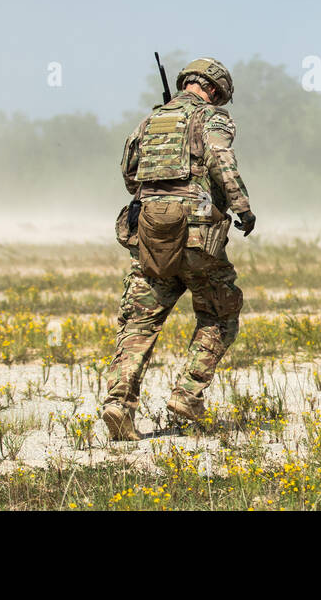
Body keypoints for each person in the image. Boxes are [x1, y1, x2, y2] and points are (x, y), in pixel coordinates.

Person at [101, 58, 255, 439]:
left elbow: (129, 172)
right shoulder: (211, 118)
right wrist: (242, 207)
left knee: (139, 320)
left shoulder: (148, 122)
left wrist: (159, 202)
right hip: (198, 236)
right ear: (216, 91)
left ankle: (119, 404)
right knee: (220, 311)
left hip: (153, 234)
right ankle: (187, 393)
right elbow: (221, 159)